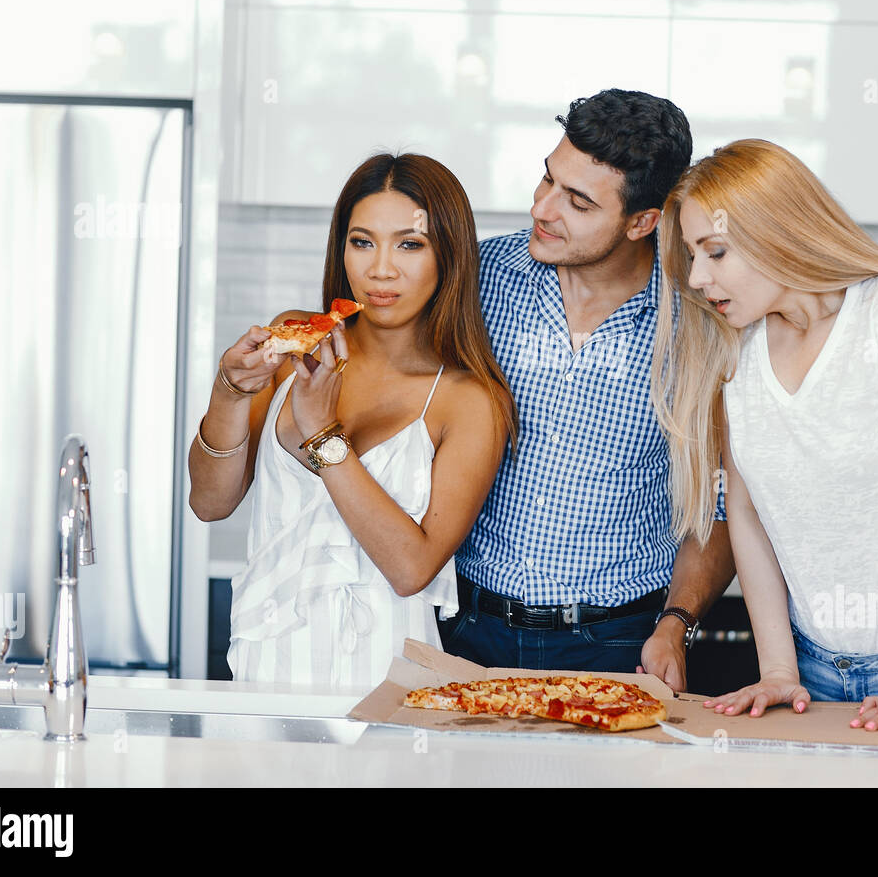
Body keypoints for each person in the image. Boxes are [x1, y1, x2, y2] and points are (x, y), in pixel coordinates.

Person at [652, 138, 878, 732]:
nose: (696, 277)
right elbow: (748, 517)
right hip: (816, 674)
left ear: (777, 231)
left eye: (715, 252)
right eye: (692, 256)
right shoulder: (736, 350)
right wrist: (777, 671)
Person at [439, 89, 735, 689]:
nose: (542, 210)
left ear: (642, 222)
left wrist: (676, 625)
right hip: (465, 631)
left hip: (618, 643)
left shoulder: (702, 325)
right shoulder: (478, 278)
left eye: (576, 201)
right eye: (546, 181)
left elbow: (722, 506)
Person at [189, 153, 515, 689]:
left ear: (448, 257)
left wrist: (323, 437)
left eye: (409, 244)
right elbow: (209, 503)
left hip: (388, 689)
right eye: (362, 241)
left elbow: (412, 569)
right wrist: (229, 392)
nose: (380, 269)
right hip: (263, 676)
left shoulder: (469, 400)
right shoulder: (296, 339)